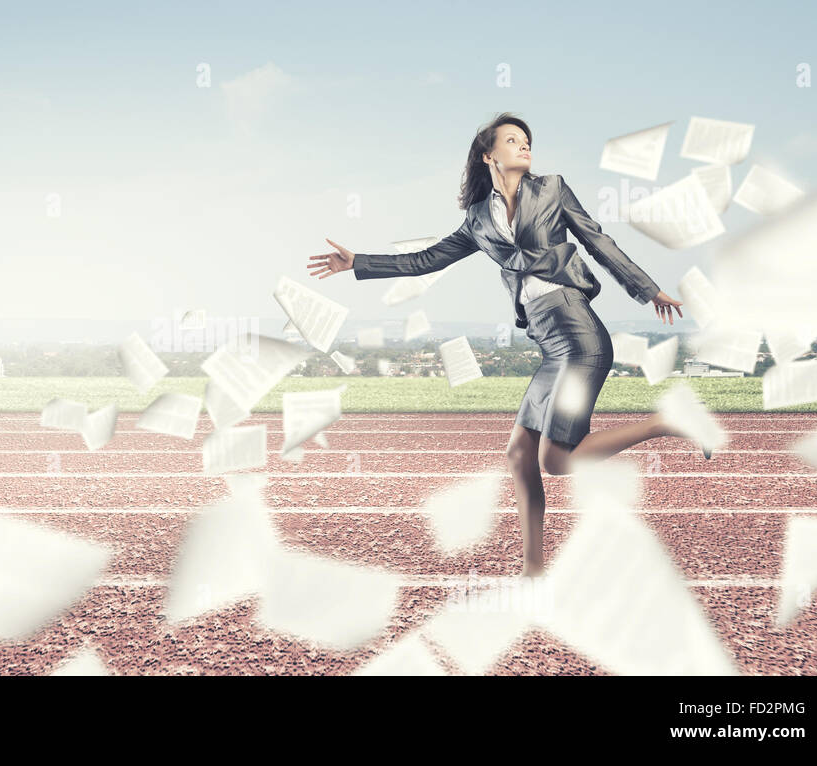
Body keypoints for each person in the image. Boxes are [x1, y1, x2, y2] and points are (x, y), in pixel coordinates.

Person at [306, 112, 724, 577]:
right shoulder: (477, 221)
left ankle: (667, 423)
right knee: (519, 455)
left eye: (527, 140)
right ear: (489, 155)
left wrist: (647, 289)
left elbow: (597, 241)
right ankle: (533, 572)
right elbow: (425, 260)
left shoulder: (553, 189)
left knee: (557, 460)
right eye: (512, 140)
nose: (524, 146)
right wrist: (358, 262)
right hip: (549, 343)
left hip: (579, 333)